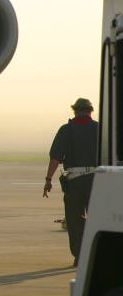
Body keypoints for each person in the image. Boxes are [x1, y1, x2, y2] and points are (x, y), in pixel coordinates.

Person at [43, 97, 99, 266]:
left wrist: (48, 180)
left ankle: (80, 255)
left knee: (74, 220)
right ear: (90, 111)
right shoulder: (100, 129)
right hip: (97, 180)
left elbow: (55, 158)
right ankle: (97, 254)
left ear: (74, 111)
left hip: (74, 181)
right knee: (96, 219)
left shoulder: (66, 130)